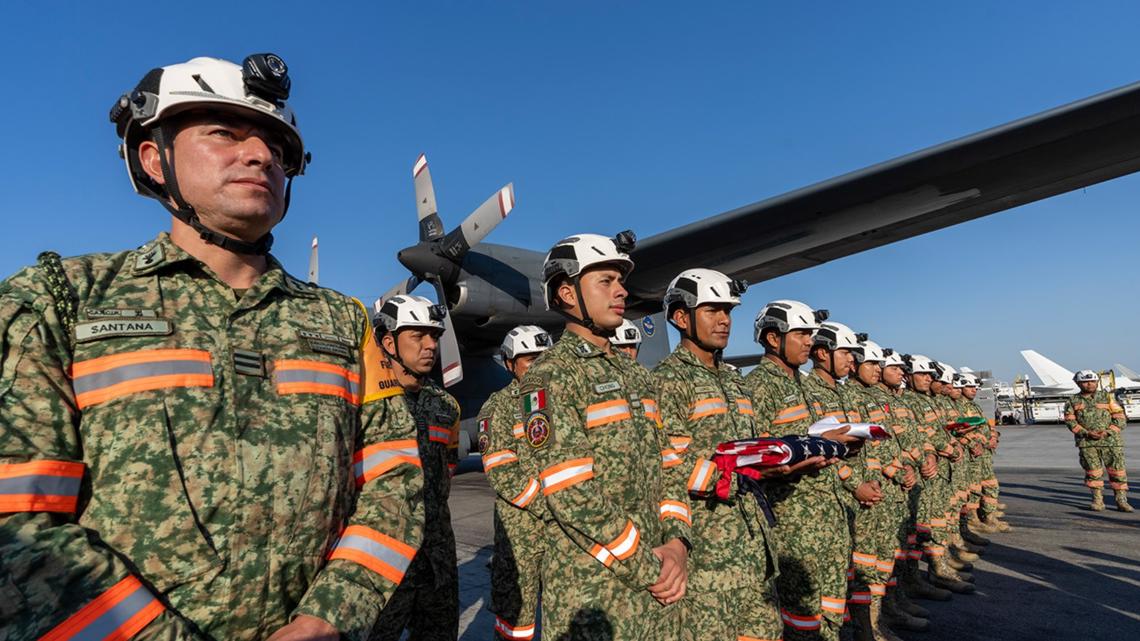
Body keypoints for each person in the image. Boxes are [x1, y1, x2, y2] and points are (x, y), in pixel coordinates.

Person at [0, 54, 424, 641]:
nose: (260, 156)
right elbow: (16, 523)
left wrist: (329, 617)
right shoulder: (59, 301)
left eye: (276, 148)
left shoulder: (343, 322)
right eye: (224, 133)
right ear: (154, 158)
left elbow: (395, 478)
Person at [516, 231, 691, 640]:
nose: (622, 291)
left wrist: (678, 543)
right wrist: (650, 566)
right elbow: (570, 492)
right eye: (606, 281)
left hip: (659, 588)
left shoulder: (636, 376)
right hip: (596, 593)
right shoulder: (550, 377)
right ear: (567, 293)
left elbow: (670, 465)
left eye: (621, 281)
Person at [651, 269, 784, 641]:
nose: (725, 320)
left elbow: (752, 449)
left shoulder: (734, 379)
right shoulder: (665, 381)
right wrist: (726, 477)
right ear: (681, 318)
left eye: (728, 311)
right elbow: (666, 463)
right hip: (708, 562)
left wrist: (780, 462)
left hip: (755, 550)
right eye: (712, 310)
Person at [742, 300, 862, 641]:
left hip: (828, 518)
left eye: (810, 334)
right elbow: (754, 458)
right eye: (801, 333)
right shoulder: (758, 387)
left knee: (832, 607)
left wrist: (842, 445)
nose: (809, 341)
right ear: (772, 338)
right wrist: (788, 465)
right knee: (802, 617)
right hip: (794, 524)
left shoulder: (806, 386)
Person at [371, 295, 463, 641]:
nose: (430, 346)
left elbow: (448, 468)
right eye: (418, 336)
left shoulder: (446, 405)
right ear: (388, 341)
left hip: (437, 554)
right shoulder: (367, 402)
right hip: (382, 555)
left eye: (434, 337)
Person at [477, 325, 553, 640]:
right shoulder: (498, 408)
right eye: (529, 360)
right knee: (516, 623)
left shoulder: (561, 403)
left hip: (563, 531)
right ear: (510, 364)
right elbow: (502, 472)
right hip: (522, 535)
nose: (538, 368)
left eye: (545, 360)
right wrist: (552, 507)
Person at [844, 338, 918, 640]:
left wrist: (906, 465)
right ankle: (867, 626)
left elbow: (888, 440)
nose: (882, 369)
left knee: (883, 555)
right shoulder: (851, 396)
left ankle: (881, 614)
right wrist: (885, 471)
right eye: (873, 364)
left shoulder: (874, 397)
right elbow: (857, 447)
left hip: (886, 484)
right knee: (864, 562)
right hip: (868, 489)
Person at [900, 356, 973, 595]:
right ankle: (923, 575)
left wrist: (956, 443)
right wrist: (937, 451)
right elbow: (921, 434)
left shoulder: (929, 401)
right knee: (919, 527)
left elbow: (941, 430)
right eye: (924, 375)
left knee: (937, 519)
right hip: (922, 471)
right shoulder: (909, 401)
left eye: (931, 376)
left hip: (938, 468)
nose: (930, 379)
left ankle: (939, 566)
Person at [1063, 370, 1132, 512]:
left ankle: (1121, 501)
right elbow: (1070, 422)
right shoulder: (1073, 401)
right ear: (1078, 383)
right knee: (1093, 473)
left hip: (1111, 442)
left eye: (1093, 381)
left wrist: (1108, 432)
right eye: (1086, 382)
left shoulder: (1107, 398)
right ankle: (1098, 501)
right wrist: (1086, 433)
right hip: (1087, 443)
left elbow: (1120, 417)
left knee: (1118, 472)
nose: (1090, 384)